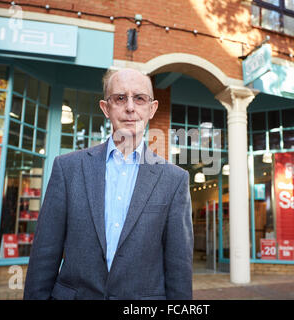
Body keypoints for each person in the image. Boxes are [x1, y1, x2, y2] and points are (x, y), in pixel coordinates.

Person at [23, 68, 193, 300]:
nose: (130, 107)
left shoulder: (174, 180)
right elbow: (45, 254)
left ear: (152, 109)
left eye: (140, 98)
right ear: (105, 108)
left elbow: (179, 268)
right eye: (120, 98)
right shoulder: (68, 168)